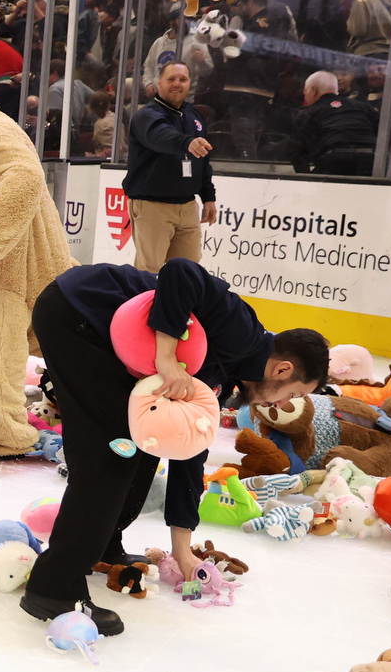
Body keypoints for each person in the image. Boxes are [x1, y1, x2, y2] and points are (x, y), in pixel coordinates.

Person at [21, 259, 328, 634]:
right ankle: (53, 587)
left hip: (90, 328)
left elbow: (188, 450)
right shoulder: (242, 331)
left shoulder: (228, 383)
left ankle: (103, 545)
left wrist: (182, 546)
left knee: (145, 442)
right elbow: (181, 271)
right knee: (111, 454)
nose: (281, 406)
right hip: (79, 313)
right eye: (292, 394)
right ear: (281, 370)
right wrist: (166, 358)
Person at [124, 62, 216, 271]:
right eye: (171, 79)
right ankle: (145, 305)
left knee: (188, 272)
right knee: (148, 272)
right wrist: (186, 142)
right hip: (152, 206)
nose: (177, 84)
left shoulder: (195, 116)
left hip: (187, 206)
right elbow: (160, 136)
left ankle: (179, 305)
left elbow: (203, 161)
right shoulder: (147, 116)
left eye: (182, 79)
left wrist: (208, 197)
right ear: (158, 83)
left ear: (190, 83)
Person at [292, 70, 377, 176]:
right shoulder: (363, 107)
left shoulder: (307, 114)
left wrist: (305, 179)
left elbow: (297, 153)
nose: (305, 97)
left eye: (305, 92)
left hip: (334, 160)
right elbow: (382, 133)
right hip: (370, 158)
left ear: (313, 90)